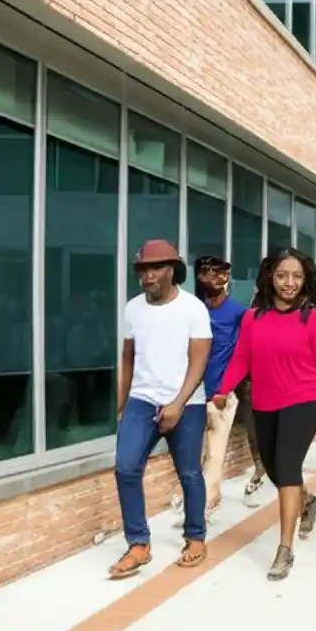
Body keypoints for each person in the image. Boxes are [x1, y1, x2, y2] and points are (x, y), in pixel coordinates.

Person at [213, 248, 316, 580]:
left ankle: (284, 549)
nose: (289, 283)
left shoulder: (314, 321)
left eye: (297, 276)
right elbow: (242, 358)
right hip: (264, 401)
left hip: (305, 400)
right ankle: (306, 500)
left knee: (287, 466)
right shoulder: (252, 318)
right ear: (270, 278)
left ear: (306, 281)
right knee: (272, 467)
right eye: (282, 275)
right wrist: (223, 389)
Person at [108, 240, 212, 579]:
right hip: (142, 399)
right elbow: (127, 359)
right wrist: (121, 407)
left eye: (154, 268)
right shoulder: (133, 308)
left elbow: (199, 362)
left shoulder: (193, 308)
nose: (147, 275)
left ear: (172, 271)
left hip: (187, 402)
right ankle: (138, 544)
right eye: (142, 269)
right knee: (125, 468)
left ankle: (195, 537)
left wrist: (177, 404)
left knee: (190, 474)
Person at [169, 255, 259, 524]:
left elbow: (248, 351)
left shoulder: (237, 313)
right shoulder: (192, 310)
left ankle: (207, 503)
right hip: (191, 395)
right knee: (191, 454)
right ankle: (195, 500)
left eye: (221, 273)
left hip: (221, 396)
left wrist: (230, 388)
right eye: (209, 273)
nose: (216, 278)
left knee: (215, 455)